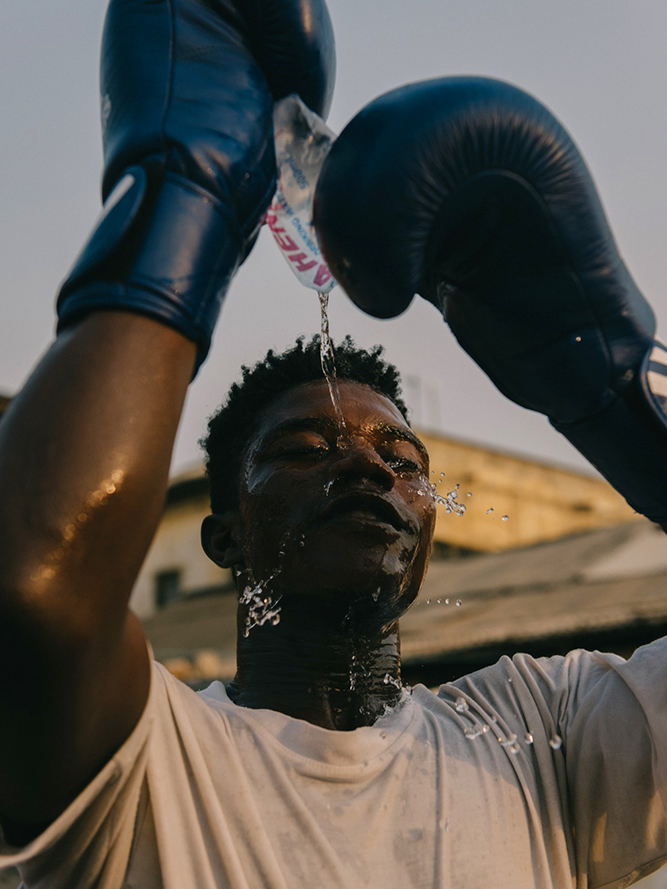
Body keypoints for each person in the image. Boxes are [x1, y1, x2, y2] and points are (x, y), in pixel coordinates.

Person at [2, 1, 667, 888]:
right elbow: (37, 584)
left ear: (429, 533)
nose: (367, 465)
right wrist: (181, 199)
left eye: (403, 461)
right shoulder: (147, 754)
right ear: (224, 533)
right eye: (308, 449)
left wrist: (621, 394)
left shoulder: (542, 732)